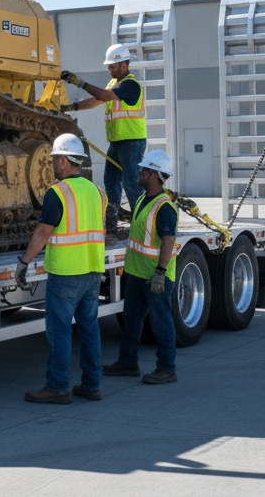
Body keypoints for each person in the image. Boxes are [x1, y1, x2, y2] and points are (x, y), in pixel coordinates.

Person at [17, 134, 107, 404]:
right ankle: (92, 385)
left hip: (66, 273)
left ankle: (57, 386)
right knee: (89, 329)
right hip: (92, 270)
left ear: (65, 161)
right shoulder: (97, 192)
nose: (53, 164)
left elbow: (44, 231)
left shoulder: (57, 193)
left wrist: (24, 262)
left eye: (55, 159)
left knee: (60, 331)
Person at [103, 149, 179, 384]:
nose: (140, 172)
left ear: (155, 175)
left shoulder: (164, 207)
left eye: (144, 170)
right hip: (136, 273)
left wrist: (160, 272)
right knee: (132, 319)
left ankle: (167, 369)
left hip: (155, 277)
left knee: (161, 322)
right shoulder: (142, 201)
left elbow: (168, 241)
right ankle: (128, 362)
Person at [60, 43, 146, 235]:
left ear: (124, 65)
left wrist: (80, 83)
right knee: (111, 181)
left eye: (113, 66)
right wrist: (70, 108)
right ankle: (112, 225)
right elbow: (95, 101)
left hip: (132, 142)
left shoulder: (130, 85)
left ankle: (141, 225)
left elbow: (101, 95)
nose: (109, 69)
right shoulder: (114, 85)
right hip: (117, 143)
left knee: (131, 183)